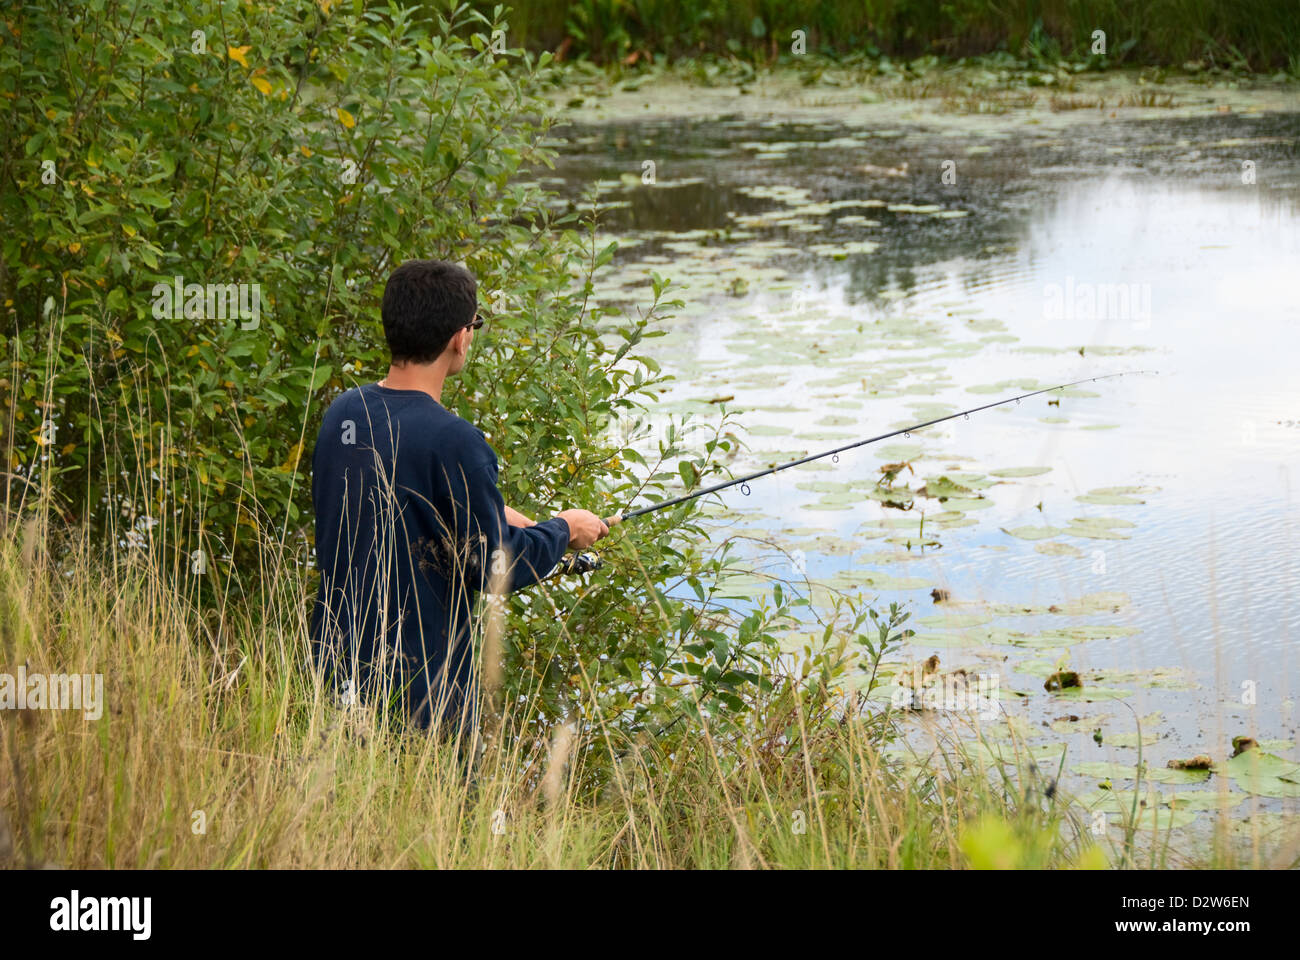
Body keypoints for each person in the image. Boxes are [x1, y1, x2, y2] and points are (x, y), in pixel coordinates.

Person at [309, 259, 614, 734]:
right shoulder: (456, 441)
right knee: (435, 807)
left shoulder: (345, 414)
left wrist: (511, 518)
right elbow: (495, 568)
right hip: (422, 692)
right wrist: (563, 530)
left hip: (335, 668)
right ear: (460, 336)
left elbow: (409, 489)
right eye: (474, 324)